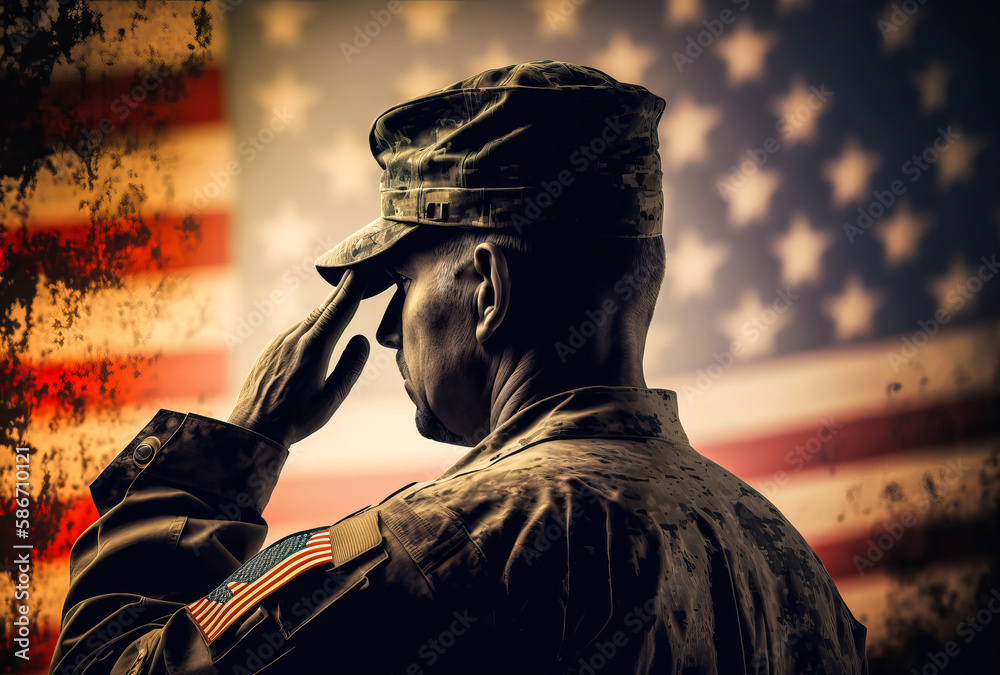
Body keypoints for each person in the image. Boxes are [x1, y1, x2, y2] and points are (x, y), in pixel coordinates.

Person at [51, 61, 868, 674]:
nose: (390, 329)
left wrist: (228, 453)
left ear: (487, 287)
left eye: (400, 281)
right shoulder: (790, 566)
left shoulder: (435, 550)